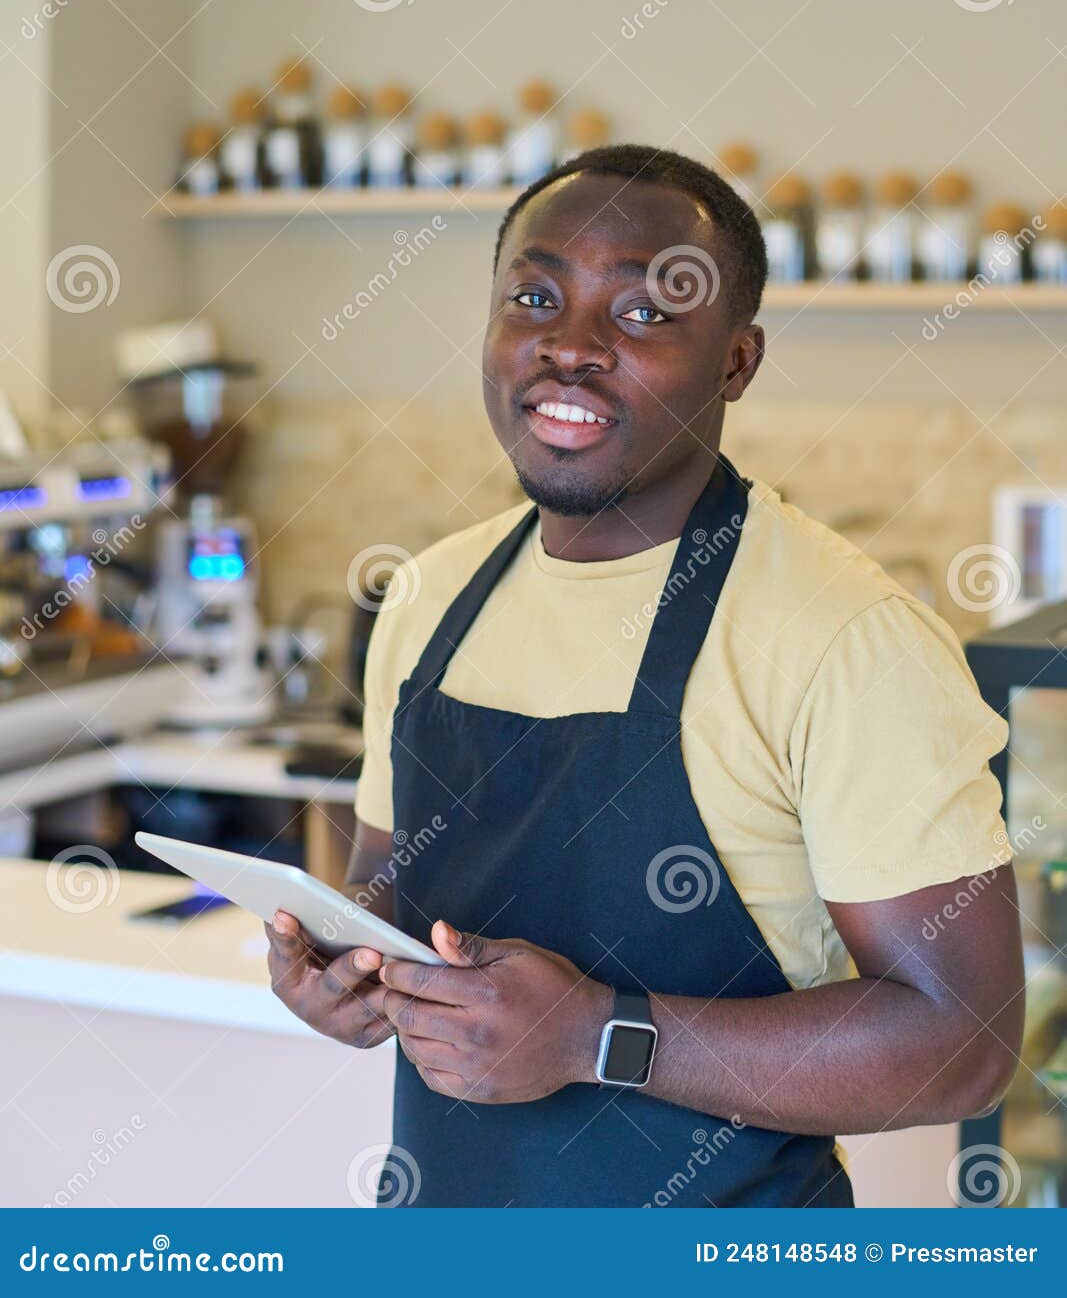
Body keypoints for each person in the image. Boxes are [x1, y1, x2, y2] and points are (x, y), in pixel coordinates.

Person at [267, 143, 1023, 1208]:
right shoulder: (427, 595)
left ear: (734, 362)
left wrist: (596, 1037)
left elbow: (964, 1040)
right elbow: (389, 878)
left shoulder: (847, 637)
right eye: (533, 295)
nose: (567, 348)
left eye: (641, 312)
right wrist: (342, 961)